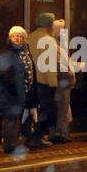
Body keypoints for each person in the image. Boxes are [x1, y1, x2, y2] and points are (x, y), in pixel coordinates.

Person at [0, 26, 30, 154]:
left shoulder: (20, 53)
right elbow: (5, 74)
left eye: (20, 36)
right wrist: (13, 89)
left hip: (17, 93)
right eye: (14, 36)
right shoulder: (6, 53)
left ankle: (13, 144)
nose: (17, 38)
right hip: (9, 93)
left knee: (15, 120)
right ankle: (10, 146)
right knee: (11, 120)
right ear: (9, 38)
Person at [30, 12, 61, 144]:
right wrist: (53, 83)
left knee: (40, 109)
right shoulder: (47, 39)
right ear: (49, 25)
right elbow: (49, 63)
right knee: (49, 111)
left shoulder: (31, 36)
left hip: (34, 78)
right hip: (45, 80)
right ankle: (37, 136)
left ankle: (34, 136)